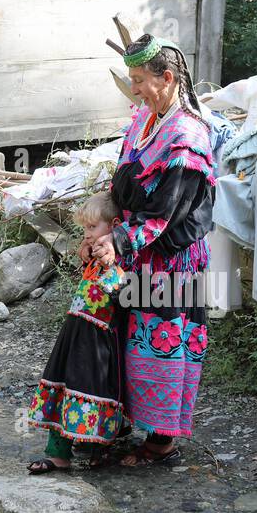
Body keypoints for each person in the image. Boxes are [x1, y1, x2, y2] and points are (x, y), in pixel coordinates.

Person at [85, 34, 216, 467]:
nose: (135, 89)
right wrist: (105, 227)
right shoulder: (145, 119)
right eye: (131, 80)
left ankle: (161, 442)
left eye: (140, 80)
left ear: (168, 77)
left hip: (171, 261)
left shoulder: (187, 137)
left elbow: (163, 214)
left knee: (163, 344)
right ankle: (121, 422)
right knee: (128, 341)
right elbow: (120, 179)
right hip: (135, 253)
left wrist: (116, 241)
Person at [25, 192, 128, 473]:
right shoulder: (93, 258)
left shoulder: (122, 259)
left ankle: (98, 450)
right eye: (85, 229)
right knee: (61, 386)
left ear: (115, 226)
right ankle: (57, 453)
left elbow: (124, 296)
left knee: (94, 390)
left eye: (93, 228)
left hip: (99, 340)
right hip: (74, 334)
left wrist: (111, 265)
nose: (88, 235)